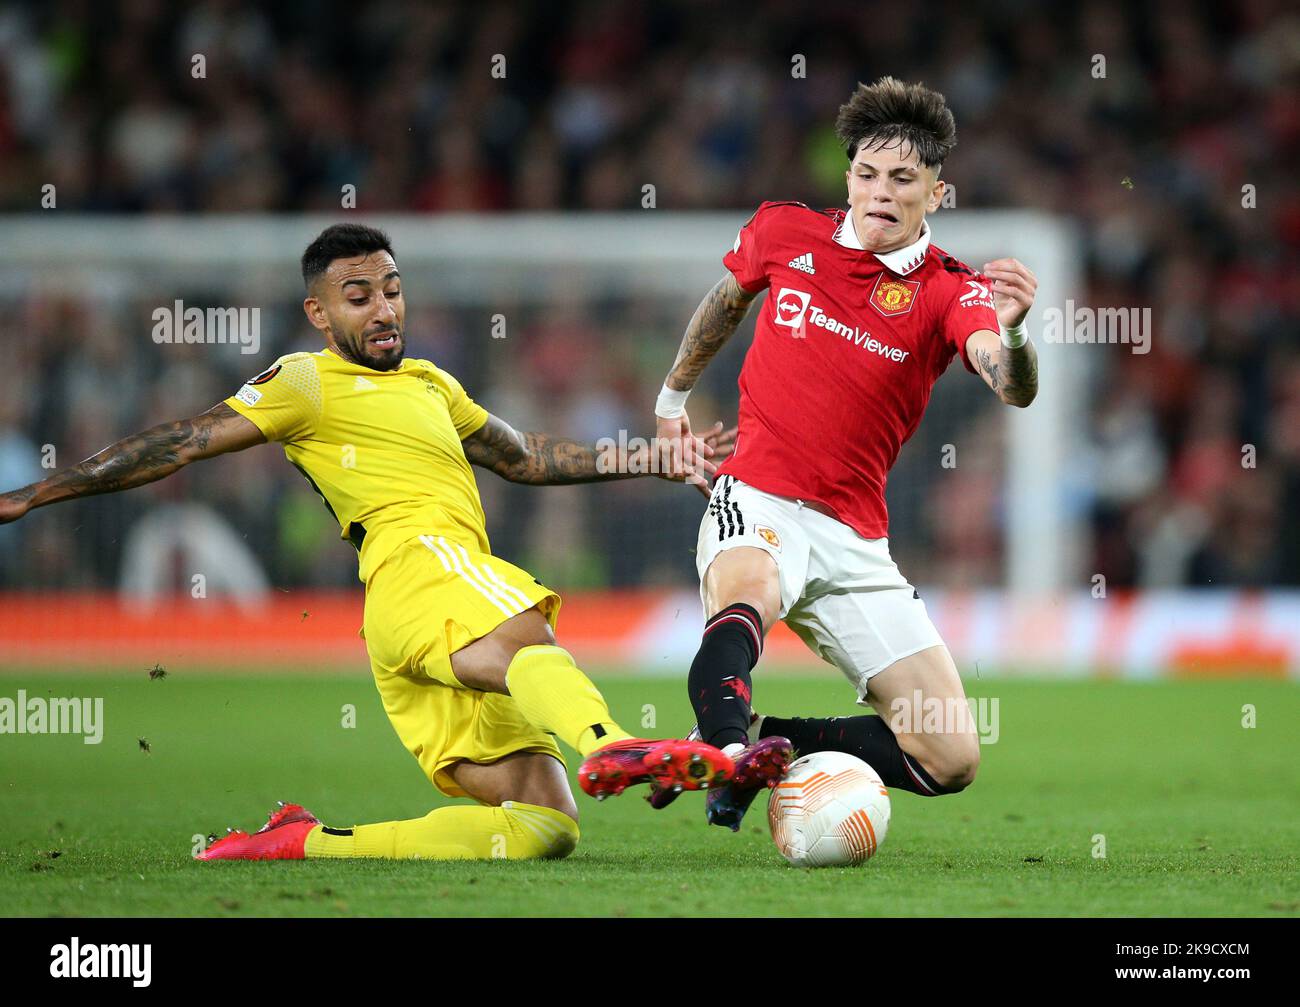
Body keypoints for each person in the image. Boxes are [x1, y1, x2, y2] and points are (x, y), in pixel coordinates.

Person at [0, 223, 738, 861]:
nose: (384, 309)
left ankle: (302, 841)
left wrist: (654, 456)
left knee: (543, 824)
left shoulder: (431, 382)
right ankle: (611, 742)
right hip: (418, 563)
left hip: (410, 616)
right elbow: (183, 441)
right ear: (318, 313)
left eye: (392, 289)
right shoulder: (305, 382)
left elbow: (526, 457)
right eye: (360, 297)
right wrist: (39, 491)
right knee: (525, 633)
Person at [651, 77, 1039, 829]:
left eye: (903, 179)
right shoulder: (786, 231)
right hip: (757, 496)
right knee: (745, 597)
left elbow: (1011, 384)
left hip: (856, 540)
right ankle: (729, 756)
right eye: (866, 173)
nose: (880, 193)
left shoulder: (951, 292)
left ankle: (753, 741)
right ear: (848, 175)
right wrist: (671, 400)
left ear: (937, 191)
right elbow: (726, 300)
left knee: (949, 753)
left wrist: (1016, 332)